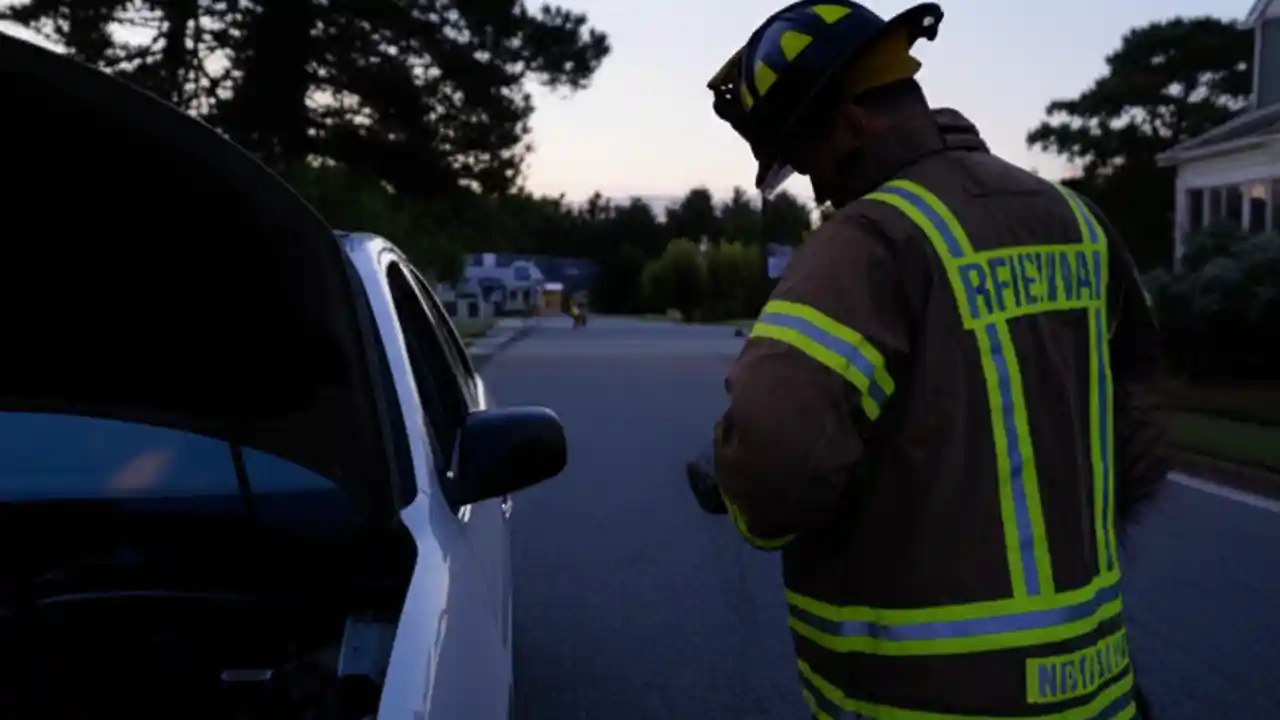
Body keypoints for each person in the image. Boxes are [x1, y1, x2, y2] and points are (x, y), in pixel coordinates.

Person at [703, 2, 1167, 718]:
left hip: (917, 698)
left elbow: (772, 461)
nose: (819, 189)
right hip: (1097, 689)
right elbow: (1137, 415)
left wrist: (744, 499)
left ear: (852, 122)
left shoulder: (869, 241)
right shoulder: (1078, 221)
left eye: (806, 161)